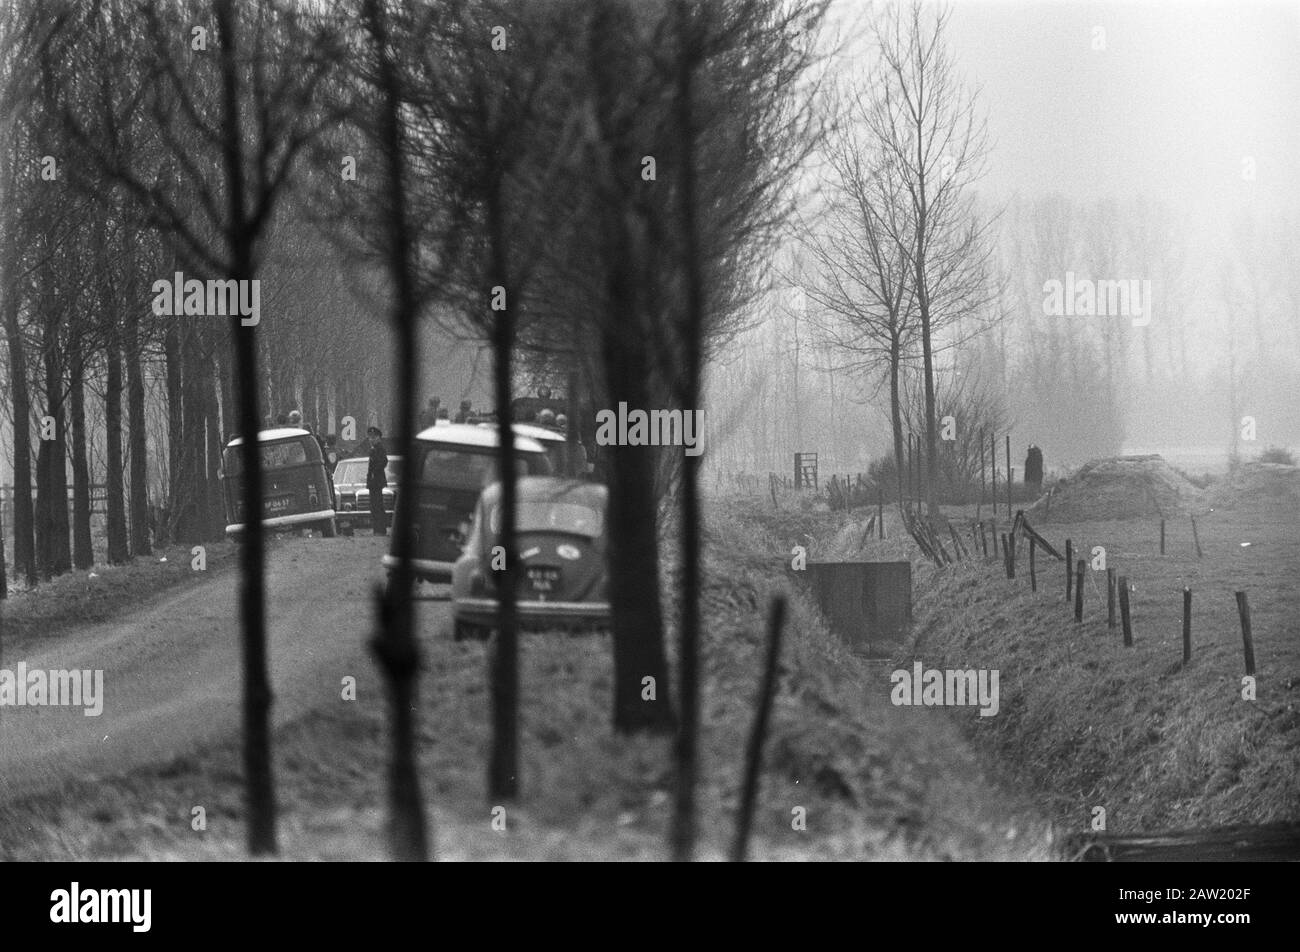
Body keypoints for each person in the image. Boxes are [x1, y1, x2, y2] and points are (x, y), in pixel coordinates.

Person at [366, 426, 388, 535]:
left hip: (377, 481)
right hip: (373, 482)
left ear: (379, 437)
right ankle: (376, 529)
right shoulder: (373, 449)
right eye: (370, 437)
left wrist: (375, 472)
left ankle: (381, 529)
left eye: (373, 437)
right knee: (374, 506)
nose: (371, 439)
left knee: (378, 506)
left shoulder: (380, 448)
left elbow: (384, 461)